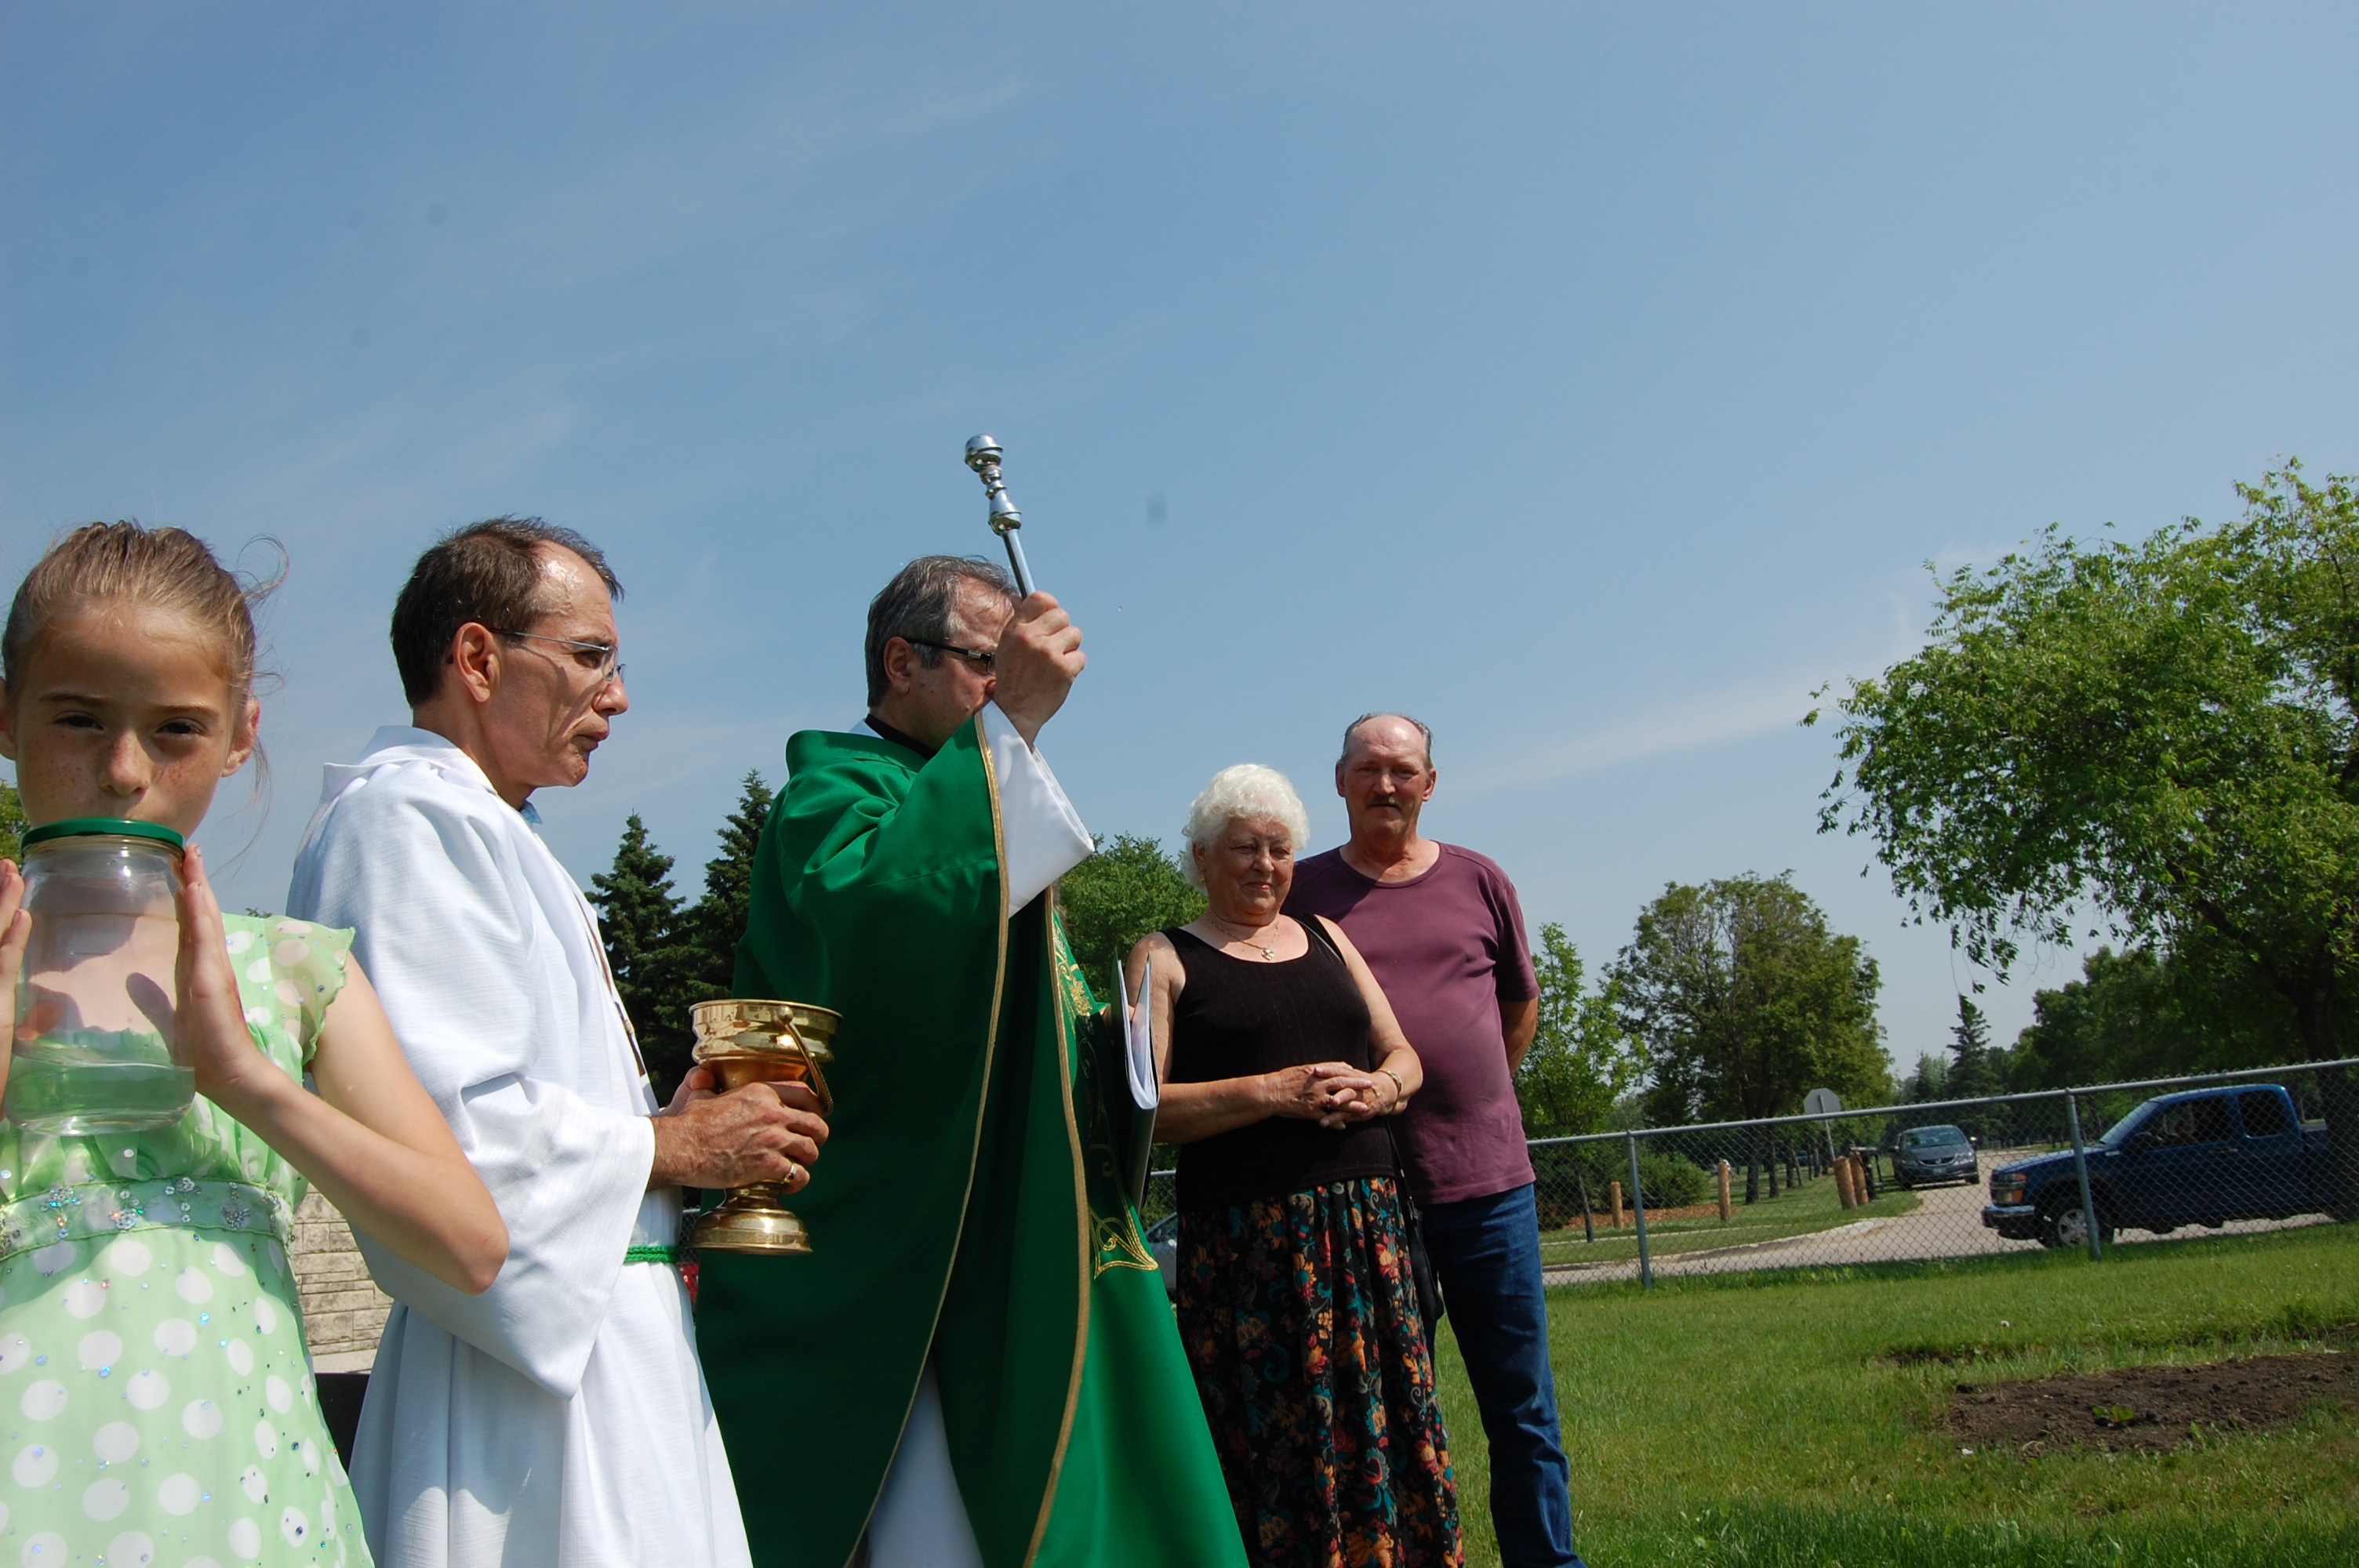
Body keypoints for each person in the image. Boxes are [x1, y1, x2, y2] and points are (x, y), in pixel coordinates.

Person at [287, 518, 825, 1567]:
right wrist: (674, 1147)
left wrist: (664, 1128)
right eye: (590, 658)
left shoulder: (489, 826)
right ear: (478, 657)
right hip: (523, 1396)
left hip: (607, 1340)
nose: (617, 698)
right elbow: (445, 1140)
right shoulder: (403, 823)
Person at [700, 555, 1245, 1568]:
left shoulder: (961, 786)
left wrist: (1103, 1056)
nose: (1005, 685)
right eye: (987, 662)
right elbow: (882, 923)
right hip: (913, 1237)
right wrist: (1015, 723)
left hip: (1028, 1208)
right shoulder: (835, 791)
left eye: (1011, 667)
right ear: (899, 662)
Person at [0, 522, 507, 1568]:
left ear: (241, 735)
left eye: (176, 730)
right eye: (78, 717)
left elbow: (469, 1244)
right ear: (6, 714)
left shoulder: (289, 971)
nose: (123, 769)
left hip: (243, 1505)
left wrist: (246, 1079)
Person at [1131, 762, 1462, 1568]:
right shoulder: (1164, 958)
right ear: (1202, 856)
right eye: (1244, 847)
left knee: (1389, 1421)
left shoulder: (1329, 937)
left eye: (1279, 849)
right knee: (1276, 1446)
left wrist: (1380, 1088)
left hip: (1367, 1234)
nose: (1265, 865)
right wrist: (1269, 1092)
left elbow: (1403, 1055)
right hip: (1252, 1251)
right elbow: (1144, 1111)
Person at [1284, 713, 1586, 1568]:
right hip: (1364, 1195)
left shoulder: (1479, 879)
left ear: (1430, 782)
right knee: (1377, 1413)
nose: (1386, 784)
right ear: (1339, 781)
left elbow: (1519, 1005)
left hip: (1490, 1192)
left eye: (1402, 769)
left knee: (1522, 1408)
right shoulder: (1301, 893)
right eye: (1367, 768)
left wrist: (1473, 1098)